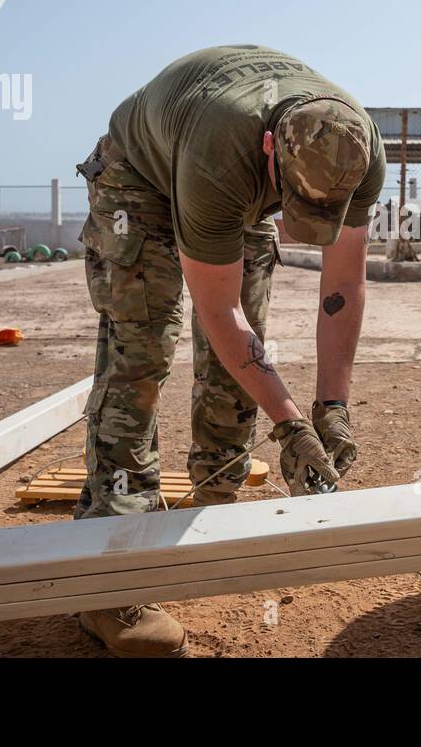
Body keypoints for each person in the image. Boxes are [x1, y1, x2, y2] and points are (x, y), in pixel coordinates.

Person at [73, 45, 384, 657]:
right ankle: (109, 582)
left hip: (243, 181)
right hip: (144, 179)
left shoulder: (357, 149)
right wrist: (293, 426)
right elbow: (220, 314)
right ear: (273, 149)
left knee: (241, 363)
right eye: (298, 206)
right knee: (142, 348)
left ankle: (210, 500)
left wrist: (333, 407)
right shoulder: (220, 155)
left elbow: (343, 286)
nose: (303, 225)